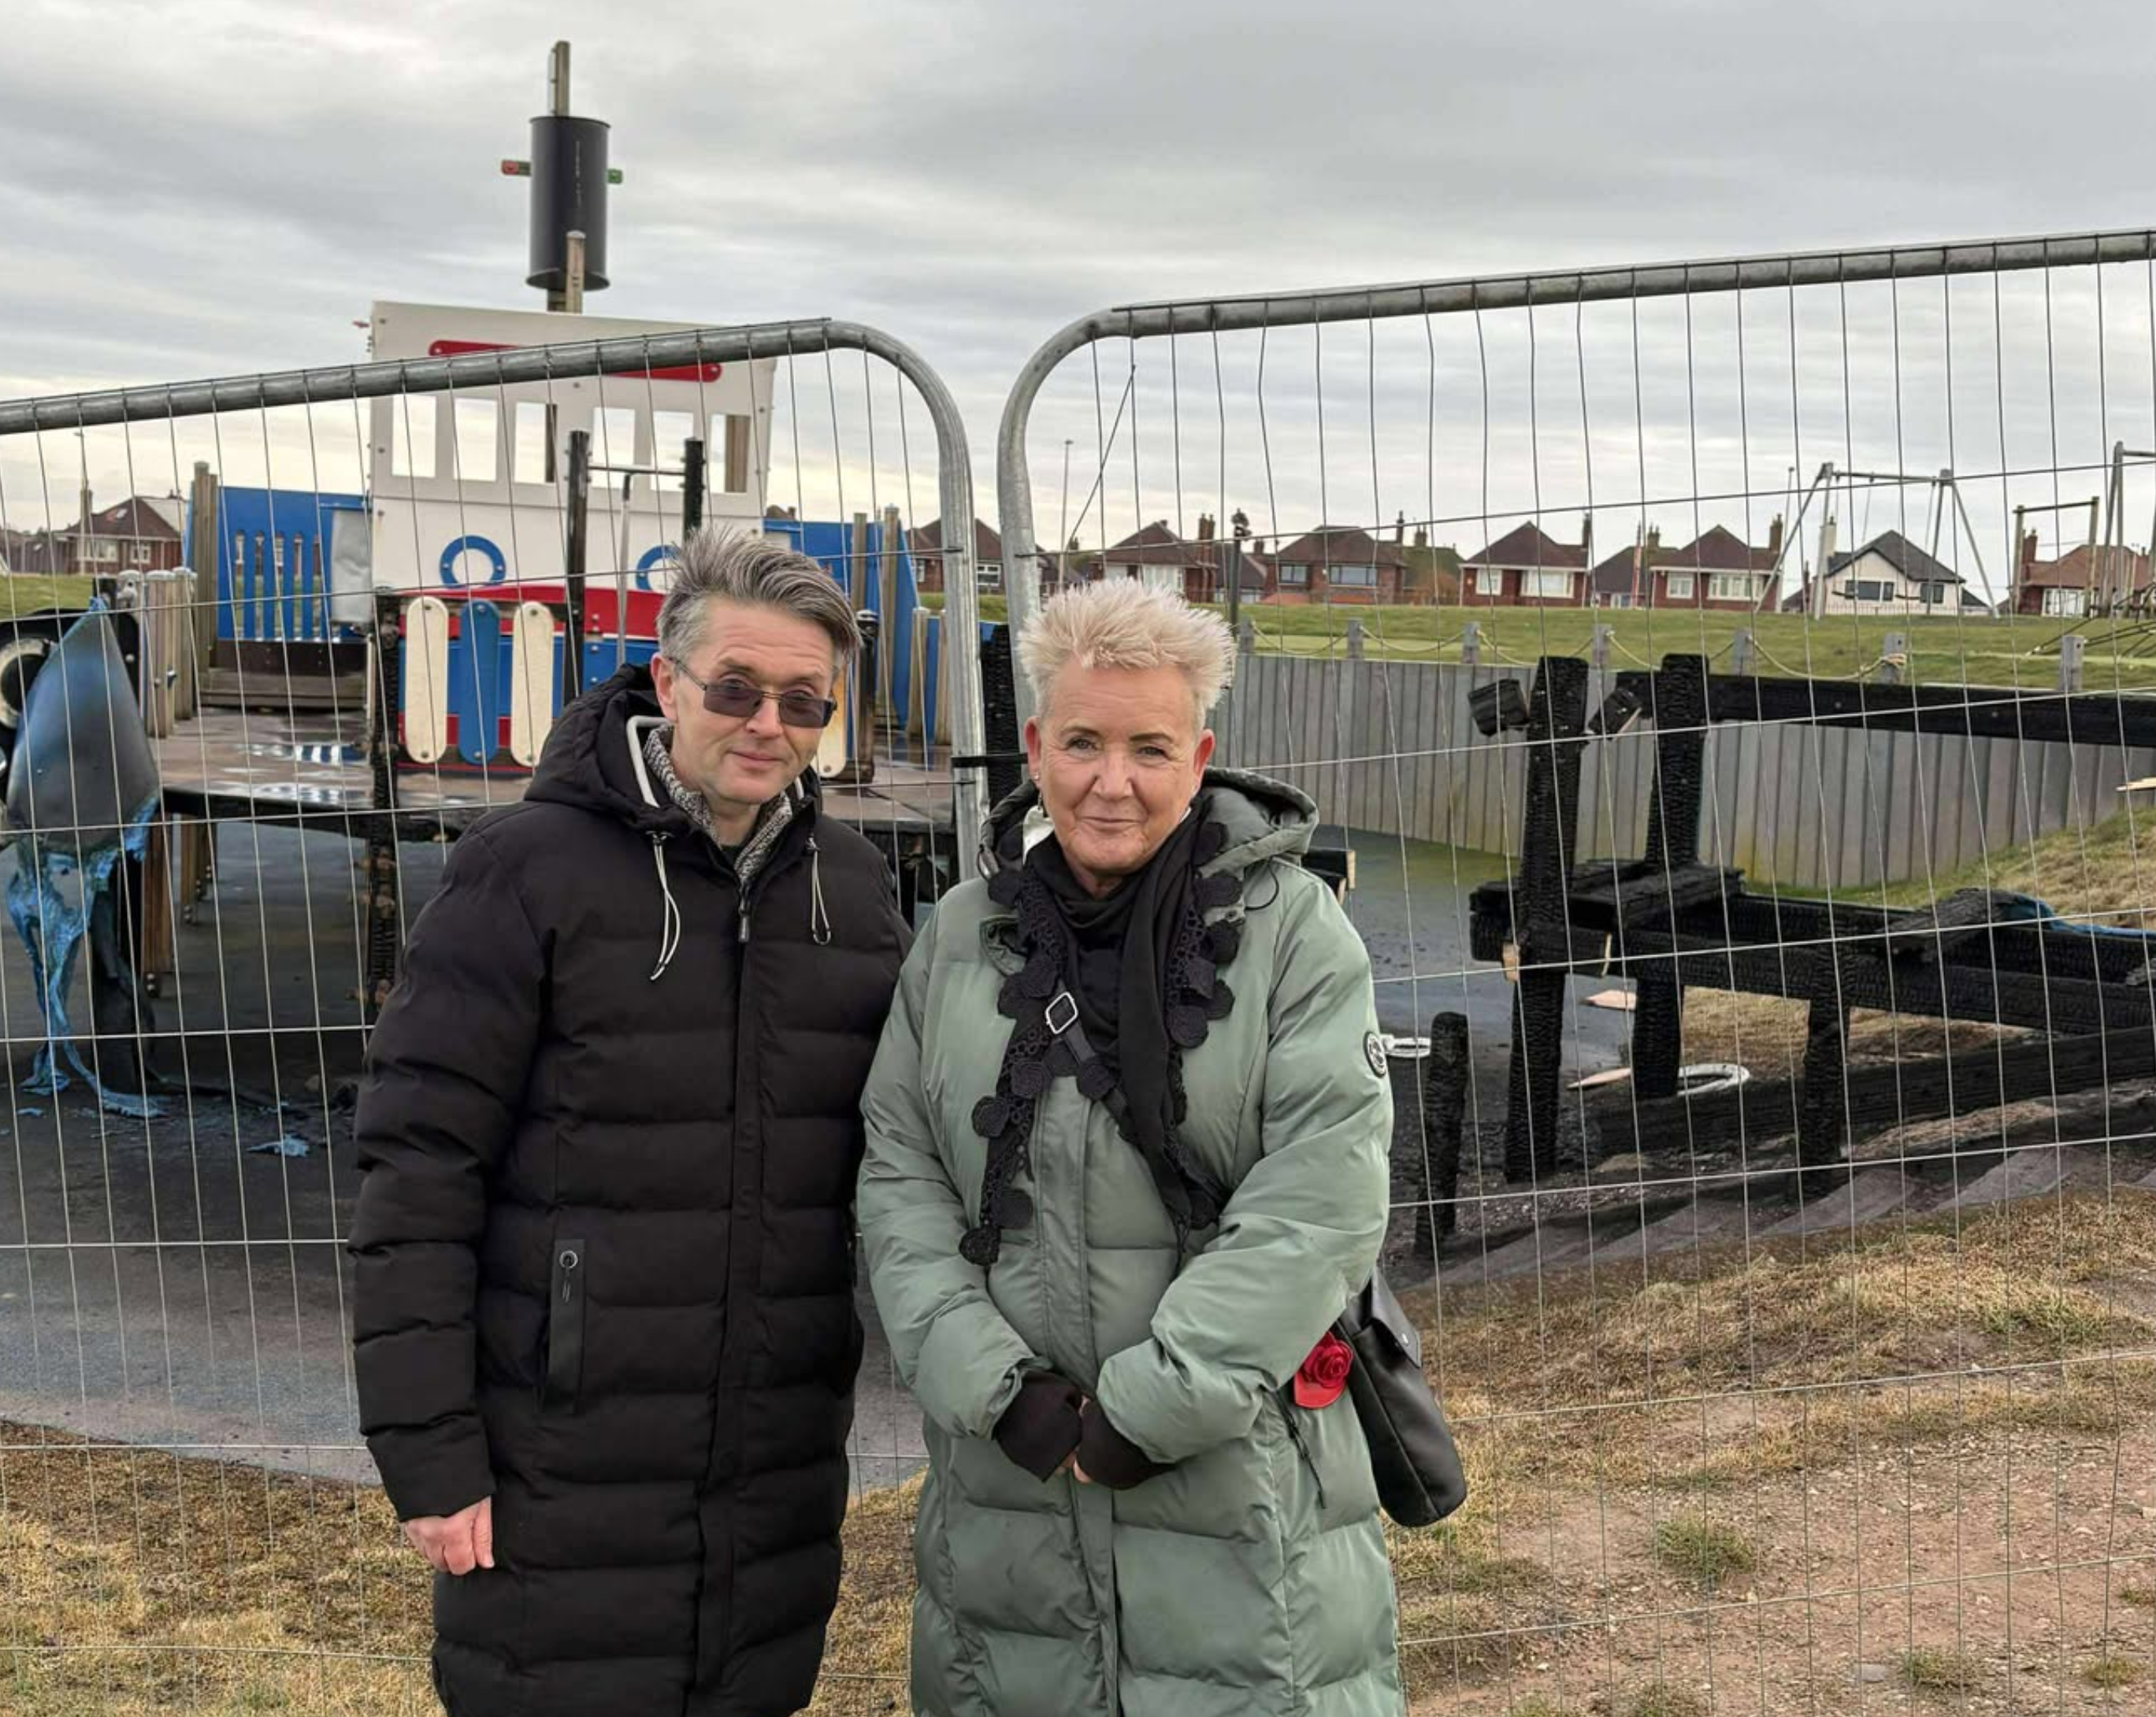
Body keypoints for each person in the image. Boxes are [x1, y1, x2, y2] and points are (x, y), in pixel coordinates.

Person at [351, 528, 912, 1717]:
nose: (768, 725)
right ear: (668, 681)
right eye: (737, 688)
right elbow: (420, 1172)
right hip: (560, 1460)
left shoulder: (853, 893)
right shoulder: (523, 872)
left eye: (804, 702)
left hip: (774, 1472)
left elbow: (915, 1150)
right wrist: (430, 1450)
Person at [857, 580, 1401, 1717]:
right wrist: (990, 1387)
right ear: (1035, 750)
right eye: (1083, 744)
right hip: (1006, 1492)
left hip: (1234, 1484)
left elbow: (1319, 1199)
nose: (1113, 782)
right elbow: (900, 1172)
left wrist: (1151, 1411)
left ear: (1198, 758)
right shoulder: (958, 936)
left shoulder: (1296, 939)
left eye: (1150, 749)